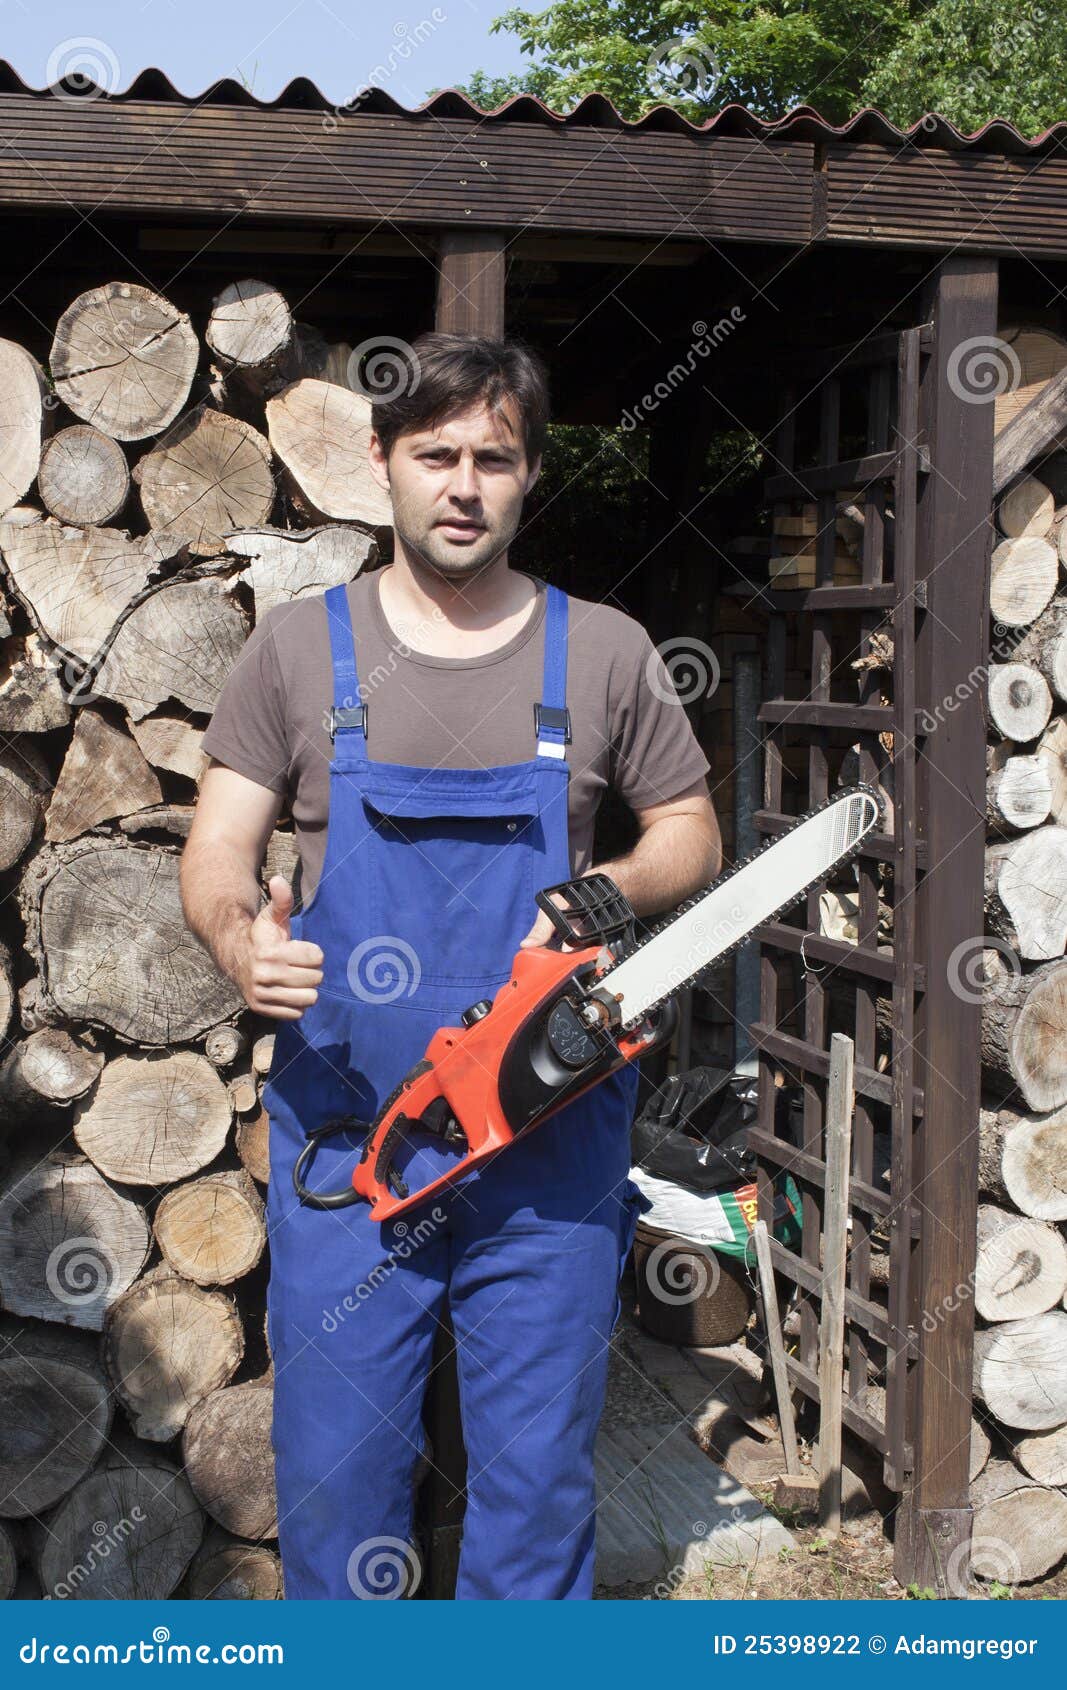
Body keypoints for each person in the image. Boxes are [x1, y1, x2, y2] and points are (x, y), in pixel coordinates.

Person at [180, 331, 720, 1600]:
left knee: (534, 1498)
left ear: (529, 476)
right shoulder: (299, 653)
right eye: (436, 455)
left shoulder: (602, 652)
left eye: (494, 457)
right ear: (381, 464)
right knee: (336, 1487)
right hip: (348, 1153)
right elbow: (216, 847)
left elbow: (689, 833)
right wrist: (232, 936)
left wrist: (611, 886)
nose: (463, 484)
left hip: (548, 1155)